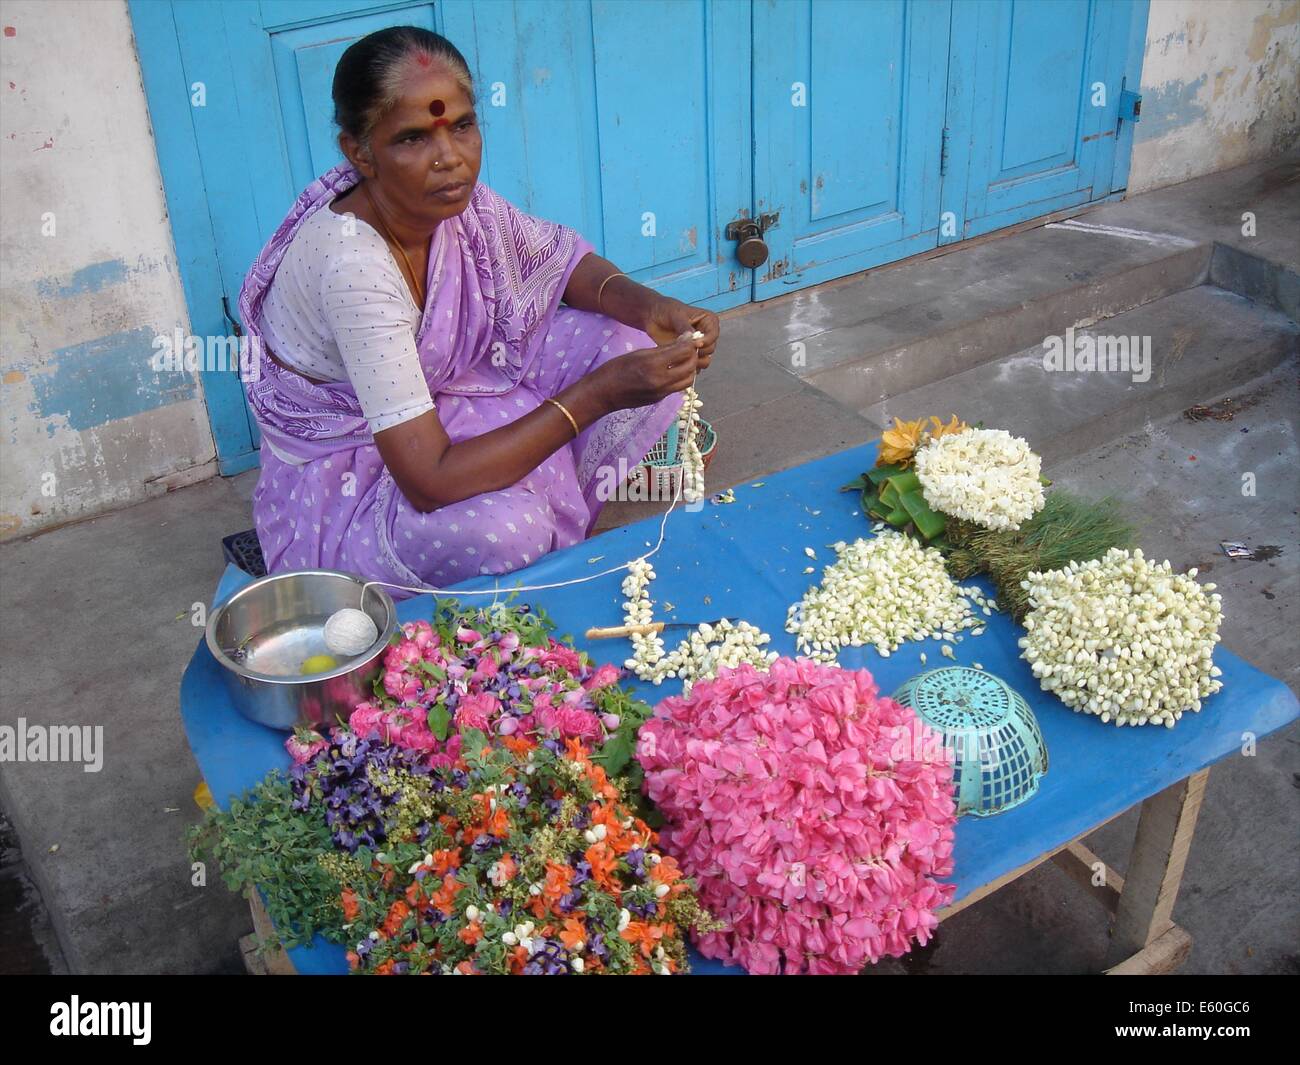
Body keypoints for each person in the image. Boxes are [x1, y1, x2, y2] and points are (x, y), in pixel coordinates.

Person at [237, 25, 718, 593]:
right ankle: (515, 519)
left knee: (629, 340)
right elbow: (428, 481)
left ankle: (549, 500)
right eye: (413, 139)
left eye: (462, 127)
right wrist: (597, 397)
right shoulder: (352, 266)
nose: (451, 159)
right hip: (358, 468)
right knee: (504, 532)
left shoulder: (447, 200)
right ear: (358, 152)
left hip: (447, 394)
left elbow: (561, 263)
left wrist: (652, 305)